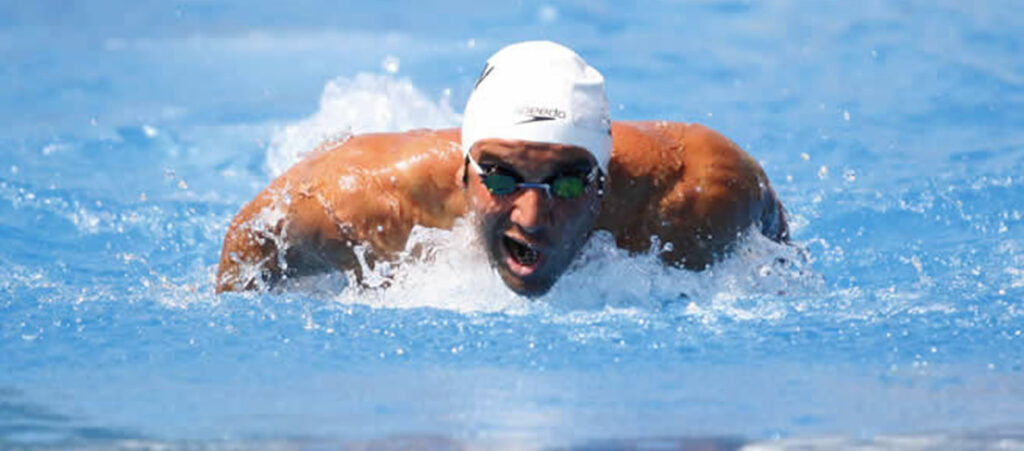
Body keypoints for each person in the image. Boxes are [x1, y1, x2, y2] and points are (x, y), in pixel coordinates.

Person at [216, 41, 788, 296]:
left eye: (568, 181)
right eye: (500, 178)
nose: (533, 216)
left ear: (603, 182)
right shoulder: (356, 204)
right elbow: (247, 244)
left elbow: (772, 234)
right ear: (464, 173)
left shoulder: (695, 192)